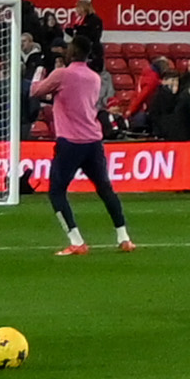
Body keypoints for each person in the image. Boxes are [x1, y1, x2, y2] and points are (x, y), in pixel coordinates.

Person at [39, 38, 135, 254]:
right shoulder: (94, 77)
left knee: (56, 191)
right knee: (105, 188)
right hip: (93, 140)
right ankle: (124, 238)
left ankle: (76, 241)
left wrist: (39, 80)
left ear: (72, 52)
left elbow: (37, 91)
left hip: (70, 141)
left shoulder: (62, 74)